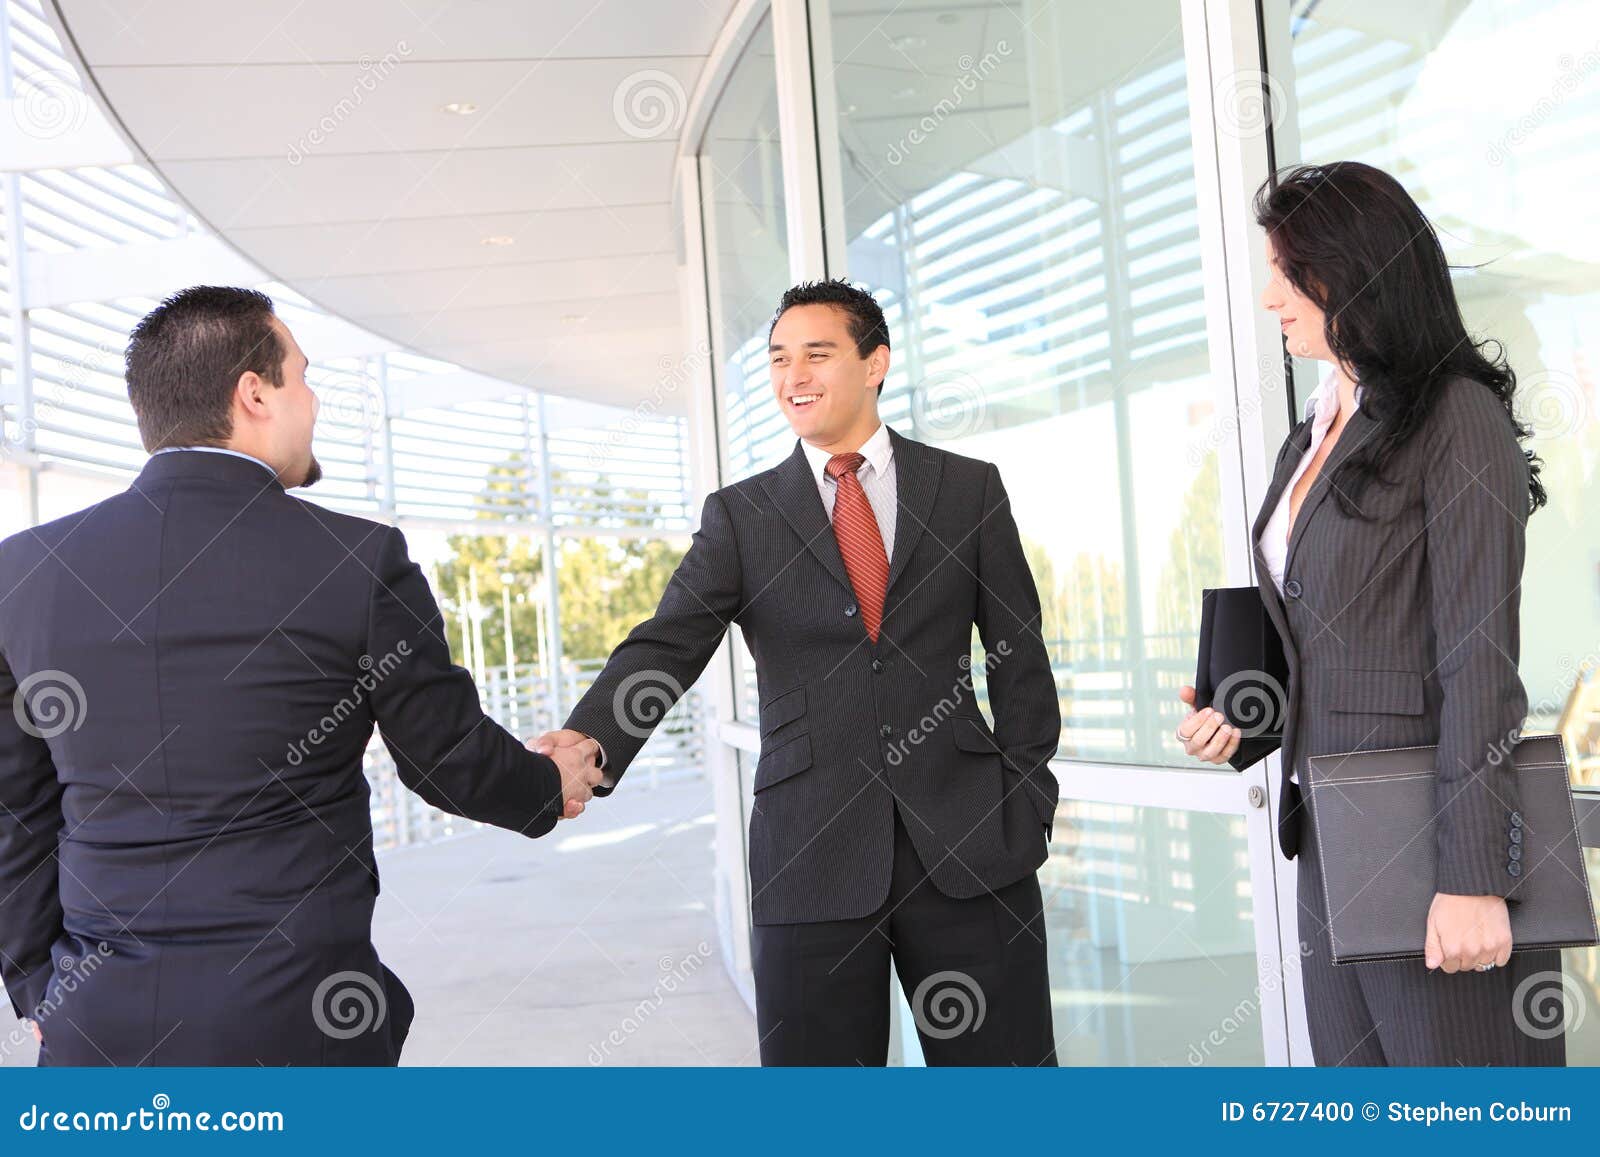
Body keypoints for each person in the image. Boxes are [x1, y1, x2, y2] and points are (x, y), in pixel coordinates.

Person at [0, 286, 602, 1066]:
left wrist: (38, 984)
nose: (314, 402)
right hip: (297, 1019)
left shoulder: (24, 573)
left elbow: (15, 810)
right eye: (304, 377)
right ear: (254, 393)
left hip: (97, 1027)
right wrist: (547, 782)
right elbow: (444, 758)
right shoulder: (359, 560)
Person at [536, 279, 1062, 1065]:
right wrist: (590, 741)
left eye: (817, 355)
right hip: (808, 855)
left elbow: (1018, 653)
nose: (794, 377)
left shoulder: (967, 490)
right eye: (779, 359)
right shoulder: (743, 516)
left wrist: (1027, 797)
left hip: (972, 844)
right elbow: (668, 642)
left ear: (875, 361)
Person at [1177, 163, 1560, 1065]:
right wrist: (1245, 720)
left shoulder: (1456, 417)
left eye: (1286, 267)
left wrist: (1472, 878)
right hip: (1328, 843)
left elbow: (1476, 660)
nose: (1268, 294)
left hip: (1430, 848)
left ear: (1357, 268)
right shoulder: (1311, 432)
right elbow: (1320, 629)